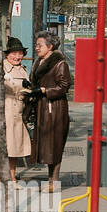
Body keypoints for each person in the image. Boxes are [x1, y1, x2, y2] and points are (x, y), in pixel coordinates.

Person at [27, 31, 72, 193]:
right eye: (36, 45)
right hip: (43, 107)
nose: (37, 48)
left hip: (55, 109)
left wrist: (45, 90)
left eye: (40, 45)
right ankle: (50, 180)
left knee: (55, 145)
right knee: (46, 146)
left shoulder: (60, 64)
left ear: (50, 47)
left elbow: (63, 86)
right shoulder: (40, 61)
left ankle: (55, 182)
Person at [0, 37, 31, 180]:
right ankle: (2, 178)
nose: (17, 56)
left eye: (20, 53)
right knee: (4, 146)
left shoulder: (22, 69)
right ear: (7, 55)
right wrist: (3, 78)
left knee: (15, 147)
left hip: (17, 112)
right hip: (4, 110)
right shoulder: (1, 66)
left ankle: (12, 177)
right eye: (14, 53)